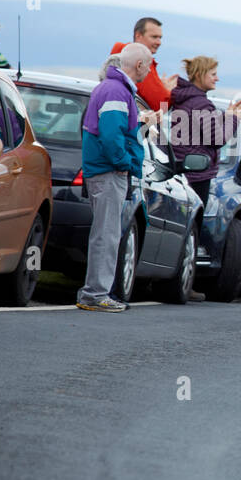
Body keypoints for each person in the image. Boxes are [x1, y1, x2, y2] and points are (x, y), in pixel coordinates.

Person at [76, 45, 151, 311]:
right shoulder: (117, 90)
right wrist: (124, 163)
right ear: (139, 64)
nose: (149, 72)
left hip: (104, 169)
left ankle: (94, 292)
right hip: (109, 171)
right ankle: (95, 294)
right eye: (149, 66)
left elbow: (113, 129)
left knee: (105, 234)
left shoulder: (112, 88)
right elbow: (111, 134)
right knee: (106, 235)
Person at [170, 56, 241, 207]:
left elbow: (202, 131)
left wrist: (227, 117)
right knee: (196, 223)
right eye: (213, 74)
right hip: (196, 174)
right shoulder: (200, 104)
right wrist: (235, 118)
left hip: (184, 169)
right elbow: (217, 139)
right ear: (200, 75)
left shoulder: (188, 100)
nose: (217, 78)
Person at [110, 17, 178, 117]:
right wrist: (170, 92)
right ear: (138, 36)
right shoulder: (140, 63)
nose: (159, 42)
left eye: (160, 38)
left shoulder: (119, 57)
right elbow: (160, 107)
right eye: (154, 37)